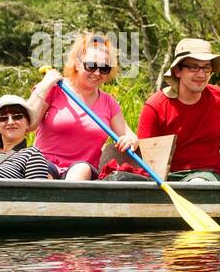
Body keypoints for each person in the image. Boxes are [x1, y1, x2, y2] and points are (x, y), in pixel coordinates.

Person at [105, 38, 220, 182]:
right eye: (194, 67)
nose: (201, 74)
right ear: (177, 71)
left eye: (206, 68)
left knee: (197, 183)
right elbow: (147, 156)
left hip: (207, 174)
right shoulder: (156, 105)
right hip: (165, 178)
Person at [28, 33, 139, 180]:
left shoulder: (109, 102)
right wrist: (44, 86)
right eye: (91, 66)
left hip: (82, 171)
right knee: (41, 172)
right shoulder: (55, 89)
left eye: (104, 68)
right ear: (77, 63)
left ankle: (66, 200)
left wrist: (130, 140)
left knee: (81, 170)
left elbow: (129, 135)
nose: (97, 73)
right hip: (45, 165)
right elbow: (28, 124)